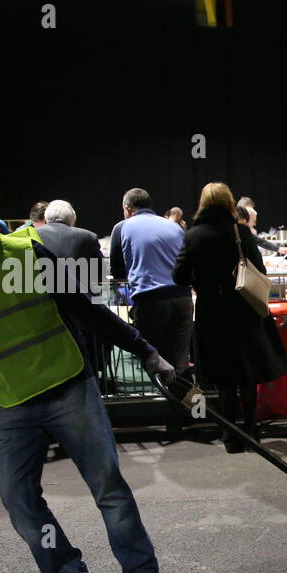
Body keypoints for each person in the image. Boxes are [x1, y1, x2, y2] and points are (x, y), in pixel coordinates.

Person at [0, 180, 173, 573]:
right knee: (18, 497)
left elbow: (83, 307)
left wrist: (145, 351)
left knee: (107, 488)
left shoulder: (27, 253)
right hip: (14, 401)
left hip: (68, 385)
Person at [173, 182, 287, 453]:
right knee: (247, 373)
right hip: (243, 310)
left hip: (212, 312)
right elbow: (259, 269)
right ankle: (251, 430)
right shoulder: (240, 232)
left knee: (224, 377)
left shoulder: (193, 236)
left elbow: (178, 276)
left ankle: (229, 434)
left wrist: (200, 280)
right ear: (229, 202)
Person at [110, 188, 194, 438]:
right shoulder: (174, 227)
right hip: (182, 298)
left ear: (127, 209)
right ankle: (188, 414)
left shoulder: (122, 227)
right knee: (180, 362)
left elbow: (117, 270)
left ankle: (171, 417)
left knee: (153, 359)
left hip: (150, 300)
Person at [36, 200, 109, 378]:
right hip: (81, 314)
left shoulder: (27, 236)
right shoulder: (88, 237)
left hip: (40, 313)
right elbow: (99, 276)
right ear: (73, 220)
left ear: (45, 219)